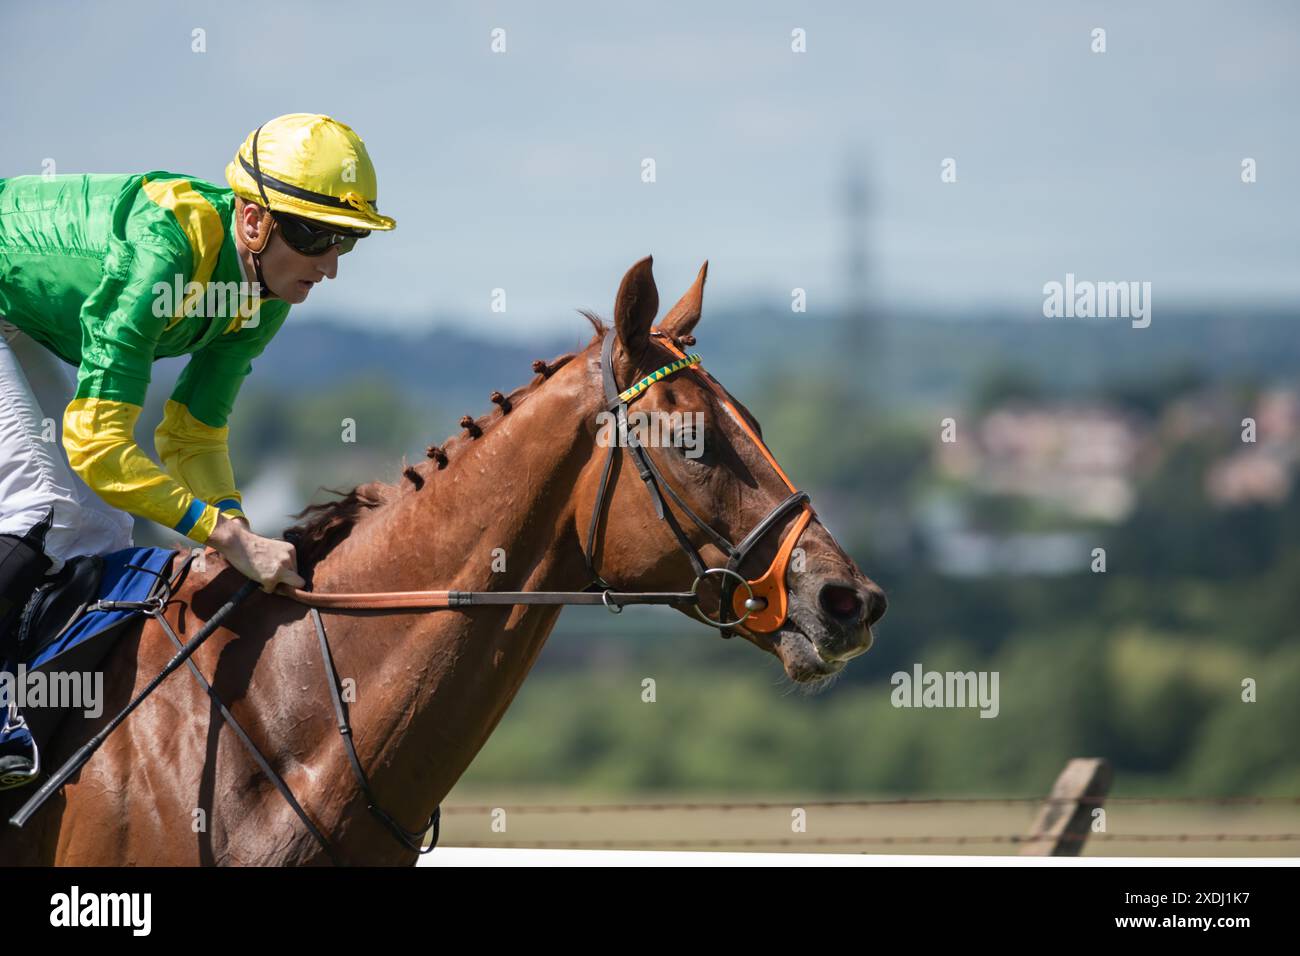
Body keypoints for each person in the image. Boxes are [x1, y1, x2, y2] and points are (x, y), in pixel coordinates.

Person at [0, 113, 396, 789]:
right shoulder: (164, 252)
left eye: (347, 241)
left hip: (18, 314)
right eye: (316, 236)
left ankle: (38, 701)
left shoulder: (262, 294)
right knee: (45, 504)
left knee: (99, 525)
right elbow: (98, 445)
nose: (329, 266)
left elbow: (189, 434)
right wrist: (225, 537)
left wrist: (230, 523)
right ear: (251, 222)